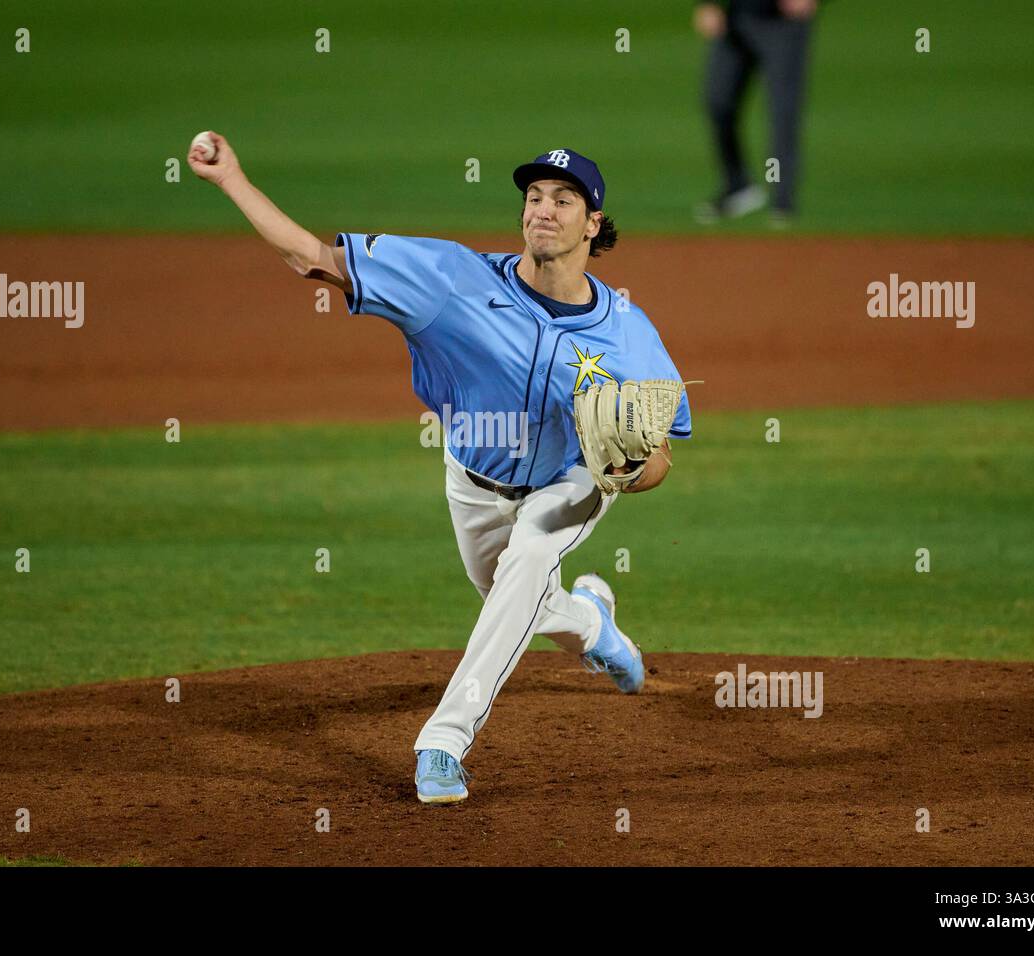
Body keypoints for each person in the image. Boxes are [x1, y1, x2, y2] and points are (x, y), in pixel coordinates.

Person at [190, 137, 692, 804]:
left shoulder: (630, 334)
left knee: (528, 561)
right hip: (472, 480)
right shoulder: (452, 281)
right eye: (534, 197)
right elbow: (310, 257)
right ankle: (595, 627)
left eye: (563, 200)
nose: (543, 209)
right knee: (518, 597)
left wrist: (626, 471)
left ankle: (444, 743)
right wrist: (232, 179)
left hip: (569, 483)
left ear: (593, 223)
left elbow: (659, 461)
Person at [693, 0, 820, 226]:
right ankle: (738, 185)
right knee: (718, 100)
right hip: (735, 16)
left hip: (783, 21)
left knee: (782, 110)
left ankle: (782, 201)